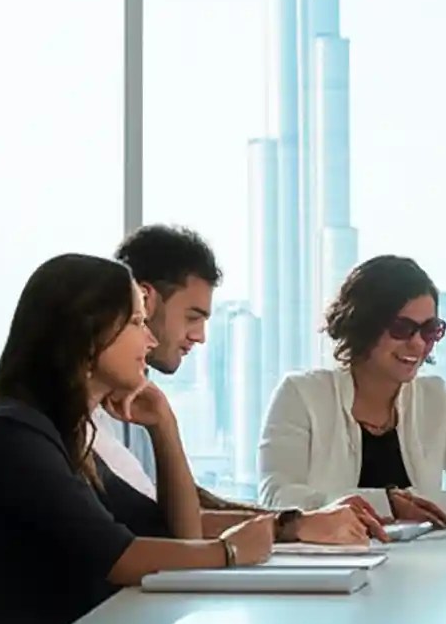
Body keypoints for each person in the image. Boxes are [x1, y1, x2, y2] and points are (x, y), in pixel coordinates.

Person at [0, 254, 275, 624]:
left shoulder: (68, 436)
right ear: (88, 335)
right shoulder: (8, 435)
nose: (149, 339)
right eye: (136, 322)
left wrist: (164, 426)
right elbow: (120, 559)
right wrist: (229, 552)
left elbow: (176, 535)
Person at [105, 224, 386, 543]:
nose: (199, 336)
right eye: (193, 317)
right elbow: (162, 524)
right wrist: (293, 526)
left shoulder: (141, 399)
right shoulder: (96, 413)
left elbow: (184, 501)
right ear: (146, 299)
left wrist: (308, 517)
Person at [258, 255, 446, 523]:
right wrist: (387, 504)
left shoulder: (435, 398)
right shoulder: (301, 395)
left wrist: (419, 506)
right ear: (364, 324)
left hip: (426, 563)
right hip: (332, 562)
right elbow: (276, 497)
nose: (418, 344)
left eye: (429, 330)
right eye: (402, 328)